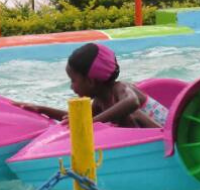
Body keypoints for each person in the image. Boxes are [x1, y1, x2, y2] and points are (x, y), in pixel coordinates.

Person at [18, 43, 168, 128]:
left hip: (170, 133)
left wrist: (91, 121)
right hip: (154, 136)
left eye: (73, 80)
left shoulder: (120, 88)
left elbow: (132, 102)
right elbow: (78, 118)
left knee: (130, 112)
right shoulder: (99, 102)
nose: (71, 87)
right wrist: (42, 109)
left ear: (90, 81)